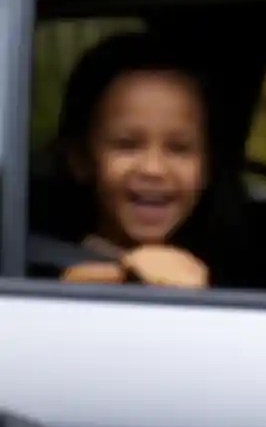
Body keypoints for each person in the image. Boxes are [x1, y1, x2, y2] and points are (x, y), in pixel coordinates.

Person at [34, 31, 223, 289]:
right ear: (82, 159)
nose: (153, 169)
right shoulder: (49, 278)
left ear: (206, 166)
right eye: (127, 145)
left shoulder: (238, 272)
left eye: (179, 149)